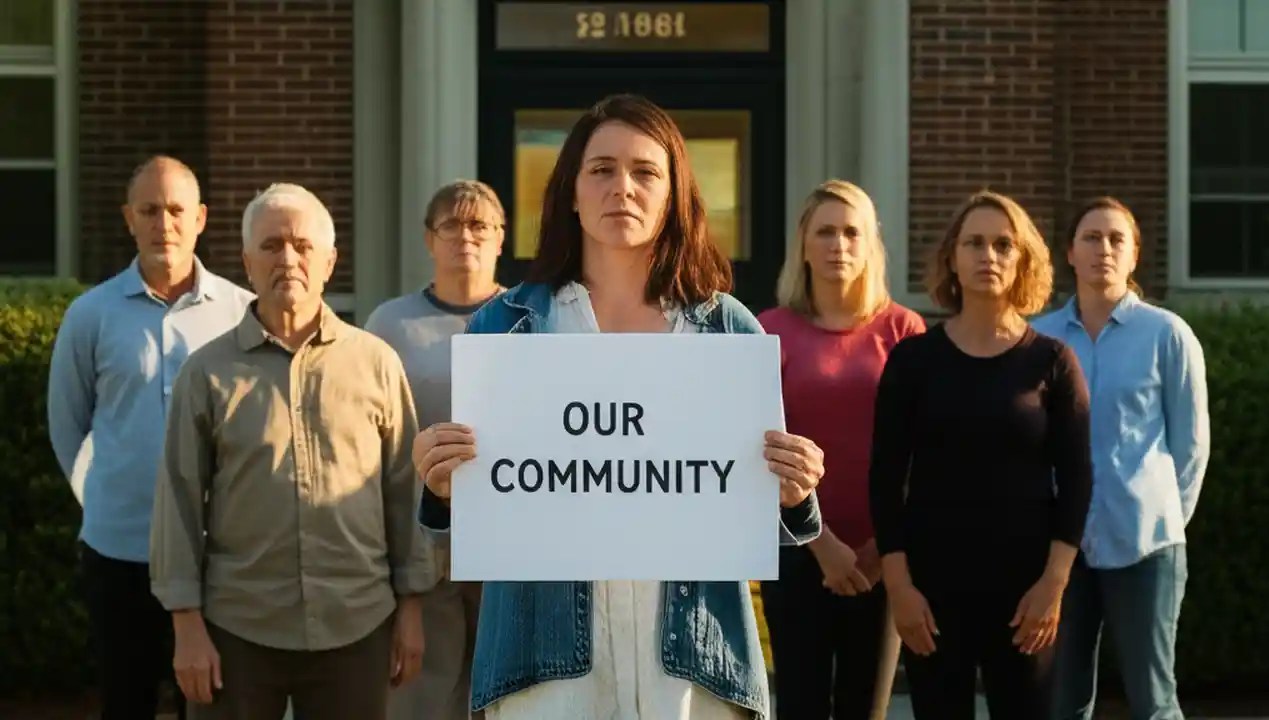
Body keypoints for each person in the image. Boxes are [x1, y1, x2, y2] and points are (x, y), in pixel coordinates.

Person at [409, 93, 825, 720]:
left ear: (674, 194)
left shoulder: (727, 328)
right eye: (601, 169)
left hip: (693, 667)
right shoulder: (505, 324)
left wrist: (795, 492)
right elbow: (479, 516)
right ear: (571, 193)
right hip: (542, 668)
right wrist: (441, 484)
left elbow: (752, 520)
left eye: (644, 172)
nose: (622, 188)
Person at [149, 183, 433, 719]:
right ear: (246, 262)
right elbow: (179, 500)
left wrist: (411, 609)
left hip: (358, 623)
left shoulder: (376, 363)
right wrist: (186, 626)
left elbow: (404, 490)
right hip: (237, 628)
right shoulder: (206, 373)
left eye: (303, 246)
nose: (288, 259)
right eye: (271, 245)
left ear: (329, 262)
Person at [868, 189, 1093, 719]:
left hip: (1025, 596)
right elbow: (885, 478)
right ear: (952, 256)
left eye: (1002, 245)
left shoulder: (1053, 362)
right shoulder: (914, 361)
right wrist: (899, 588)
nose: (988, 256)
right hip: (932, 590)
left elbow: (1078, 479)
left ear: (1022, 261)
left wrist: (1053, 585)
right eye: (974, 243)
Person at [46, 155, 253, 720]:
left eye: (177, 209)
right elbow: (68, 425)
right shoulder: (91, 315)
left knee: (211, 703)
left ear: (201, 218)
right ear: (128, 219)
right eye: (150, 209)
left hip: (220, 551)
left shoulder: (240, 313)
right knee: (126, 699)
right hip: (119, 550)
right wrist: (106, 502)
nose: (164, 222)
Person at [1033, 197, 1209, 720]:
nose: (1103, 250)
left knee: (1153, 700)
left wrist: (1166, 520)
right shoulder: (1039, 338)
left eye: (1116, 240)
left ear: (1133, 256)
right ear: (1070, 252)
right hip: (1060, 550)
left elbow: (1191, 445)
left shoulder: (1166, 335)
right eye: (1091, 238)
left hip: (1146, 546)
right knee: (1062, 701)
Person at [757, 179, 923, 720]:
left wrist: (879, 549)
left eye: (851, 232)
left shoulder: (903, 331)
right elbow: (757, 454)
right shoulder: (769, 333)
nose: (838, 245)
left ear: (871, 244)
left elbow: (922, 450)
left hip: (884, 556)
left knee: (866, 709)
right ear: (803, 244)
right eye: (824, 231)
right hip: (796, 553)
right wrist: (820, 542)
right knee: (800, 706)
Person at [365, 179, 506, 720]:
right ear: (429, 239)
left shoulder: (530, 320)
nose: (464, 237)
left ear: (499, 239)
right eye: (451, 225)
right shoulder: (390, 324)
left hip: (506, 538)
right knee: (423, 697)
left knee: (500, 695)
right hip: (422, 539)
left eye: (478, 226)